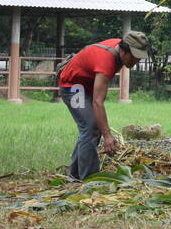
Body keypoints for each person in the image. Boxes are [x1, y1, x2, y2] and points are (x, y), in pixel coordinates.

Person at [57, 30, 150, 180]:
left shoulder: (118, 49)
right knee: (90, 127)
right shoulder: (106, 61)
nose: (136, 62)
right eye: (134, 57)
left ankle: (74, 175)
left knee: (91, 129)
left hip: (86, 85)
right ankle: (90, 179)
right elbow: (98, 102)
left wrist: (104, 131)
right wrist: (107, 135)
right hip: (73, 85)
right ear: (124, 51)